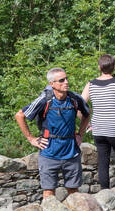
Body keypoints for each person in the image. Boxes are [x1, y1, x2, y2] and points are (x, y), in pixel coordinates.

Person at [15, 68, 90, 199]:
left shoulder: (75, 99)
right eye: (61, 80)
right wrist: (31, 138)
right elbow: (20, 115)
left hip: (71, 152)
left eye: (66, 78)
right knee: (48, 193)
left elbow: (86, 115)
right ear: (52, 84)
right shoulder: (44, 100)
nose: (66, 82)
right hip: (49, 153)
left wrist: (80, 135)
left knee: (74, 192)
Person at [83, 54, 115, 189]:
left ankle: (105, 192)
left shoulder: (90, 84)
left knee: (103, 162)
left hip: (98, 128)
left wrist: (87, 124)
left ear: (99, 67)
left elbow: (80, 106)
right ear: (114, 67)